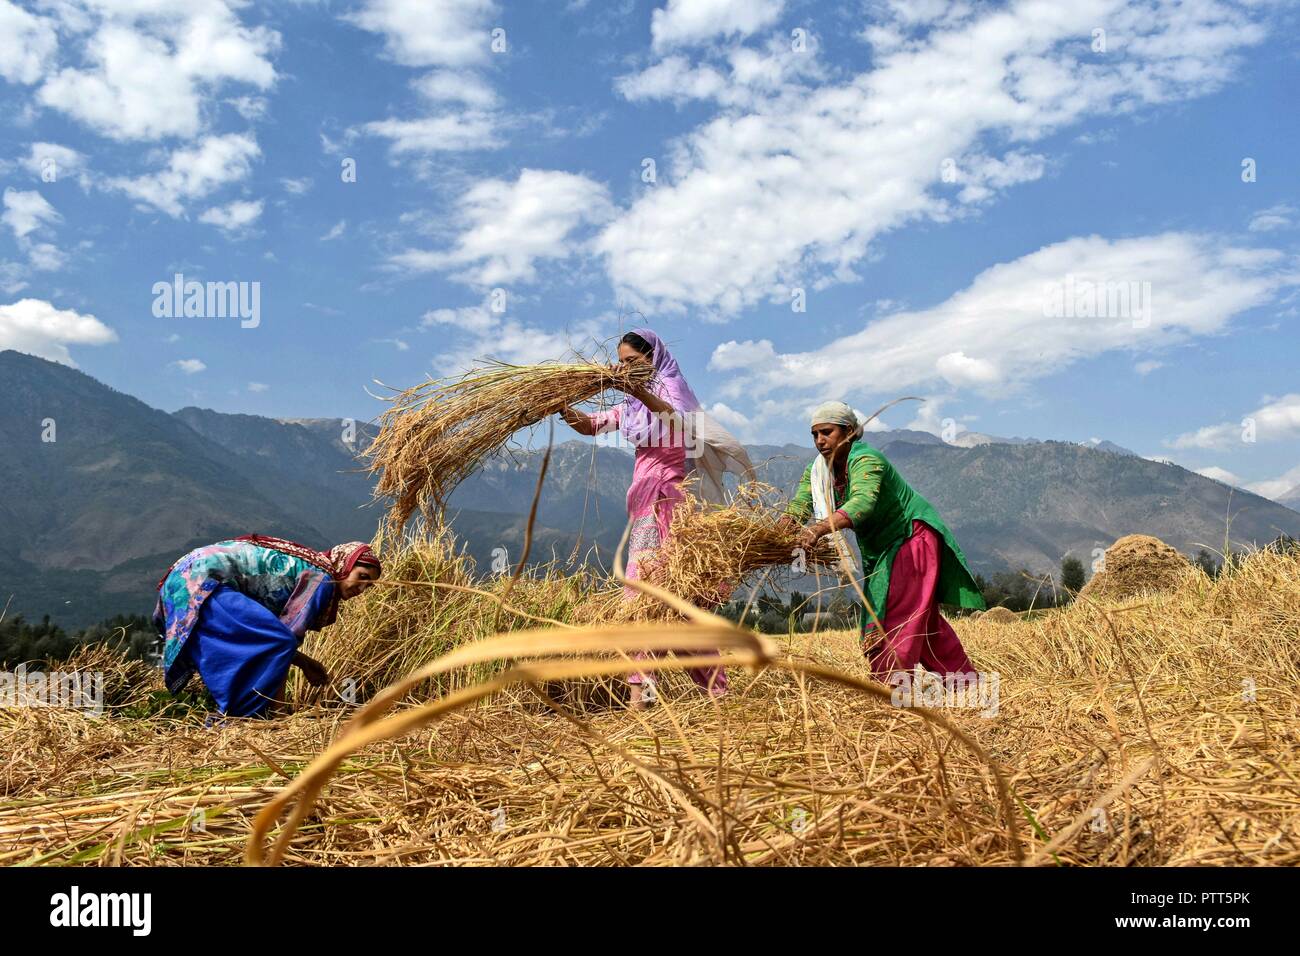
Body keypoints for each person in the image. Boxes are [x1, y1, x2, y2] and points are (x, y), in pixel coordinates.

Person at [559, 328, 753, 708]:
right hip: (645, 500)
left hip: (670, 500)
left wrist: (639, 391)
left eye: (633, 362)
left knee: (645, 596)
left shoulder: (669, 389)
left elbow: (679, 422)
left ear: (653, 358)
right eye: (622, 363)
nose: (625, 369)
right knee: (674, 606)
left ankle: (642, 699)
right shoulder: (632, 406)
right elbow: (590, 425)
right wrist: (560, 408)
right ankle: (715, 695)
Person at [785, 401, 983, 678]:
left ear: (850, 432)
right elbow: (799, 506)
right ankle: (964, 683)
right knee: (923, 621)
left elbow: (862, 503)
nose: (819, 441)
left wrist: (817, 530)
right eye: (815, 434)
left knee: (895, 616)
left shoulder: (866, 459)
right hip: (880, 550)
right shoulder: (817, 471)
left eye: (827, 432)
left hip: (910, 539)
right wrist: (775, 533)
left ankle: (890, 688)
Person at [154, 535, 382, 717]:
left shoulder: (312, 567)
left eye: (368, 586)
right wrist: (281, 710)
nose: (361, 589)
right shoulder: (322, 578)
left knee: (262, 640)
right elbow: (284, 642)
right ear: (344, 565)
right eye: (361, 576)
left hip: (186, 579)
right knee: (278, 641)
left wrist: (302, 663)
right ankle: (245, 713)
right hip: (200, 581)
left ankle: (240, 708)